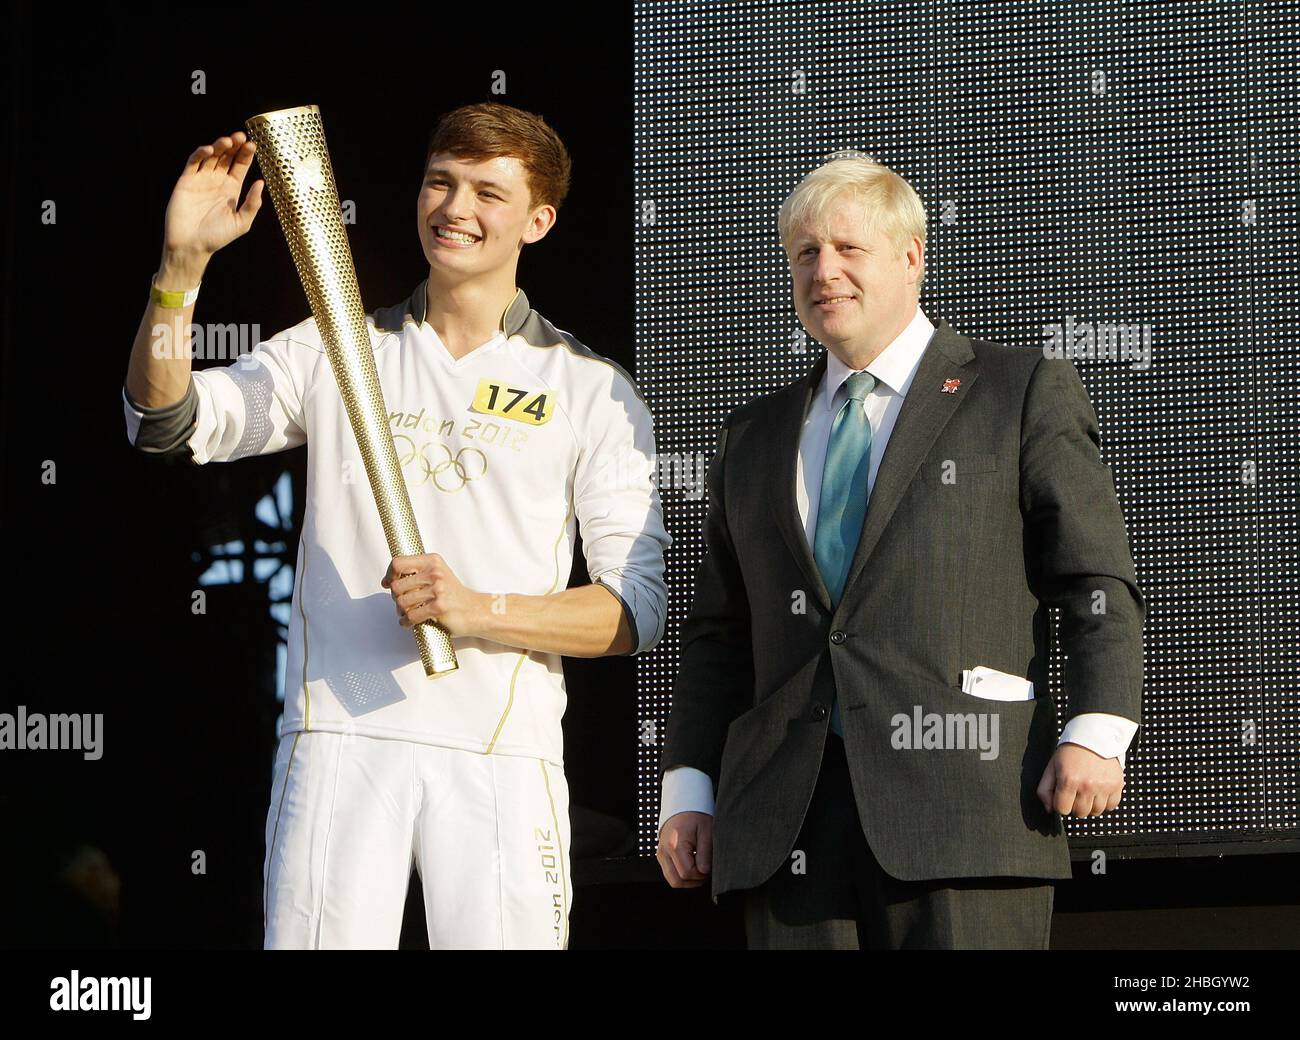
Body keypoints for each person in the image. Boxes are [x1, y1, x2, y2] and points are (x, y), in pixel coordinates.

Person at [122, 102, 670, 949]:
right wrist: (180, 266)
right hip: (340, 734)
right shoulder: (330, 350)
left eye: (488, 192)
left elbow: (635, 611)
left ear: (539, 219)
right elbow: (167, 424)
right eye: (440, 183)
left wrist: (476, 609)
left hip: (499, 754)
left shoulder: (590, 389)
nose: (455, 209)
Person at [656, 152, 1144, 949]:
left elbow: (1094, 579)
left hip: (967, 803)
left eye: (849, 249)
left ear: (912, 256)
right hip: (787, 826)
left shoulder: (1016, 388)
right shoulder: (753, 435)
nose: (824, 272)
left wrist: (1097, 729)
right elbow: (719, 634)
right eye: (805, 254)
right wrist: (689, 787)